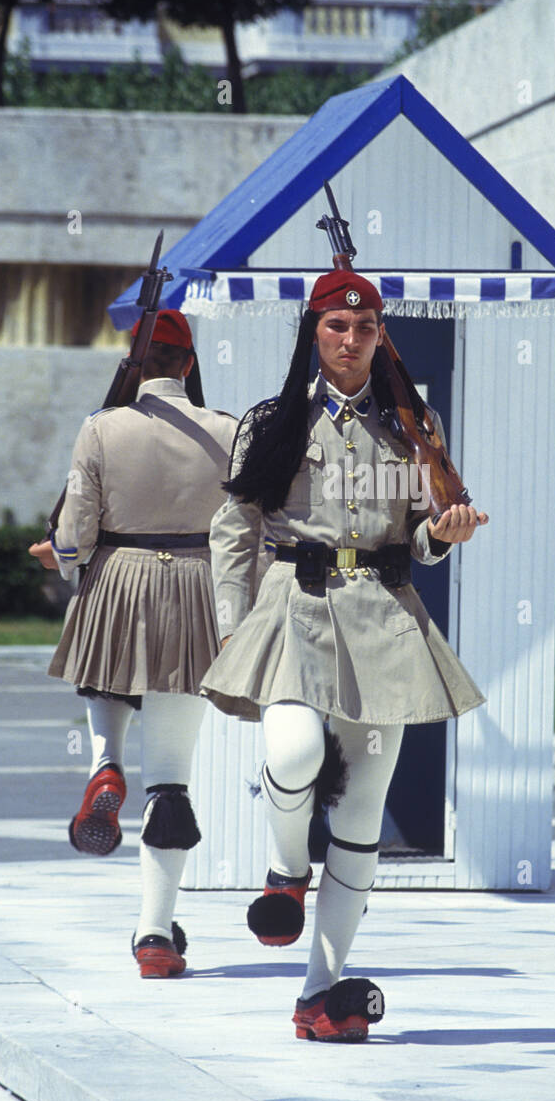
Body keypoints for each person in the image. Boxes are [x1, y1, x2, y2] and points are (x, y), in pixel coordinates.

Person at [201, 270, 488, 1041]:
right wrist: (232, 624)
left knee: (361, 808)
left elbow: (421, 534)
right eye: (336, 327)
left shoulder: (411, 425)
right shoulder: (274, 421)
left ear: (378, 337)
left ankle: (318, 991)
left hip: (385, 619)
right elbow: (234, 528)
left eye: (364, 330)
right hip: (295, 608)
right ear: (315, 334)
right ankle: (287, 869)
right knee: (292, 753)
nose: (351, 341)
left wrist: (444, 534)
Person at [28, 310, 237, 978]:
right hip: (197, 589)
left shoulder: (101, 427)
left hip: (117, 577)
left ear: (133, 363)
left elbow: (78, 533)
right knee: (171, 782)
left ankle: (104, 763)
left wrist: (58, 557)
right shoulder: (227, 431)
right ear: (188, 365)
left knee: (106, 672)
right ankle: (154, 937)